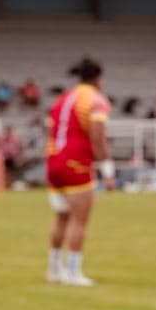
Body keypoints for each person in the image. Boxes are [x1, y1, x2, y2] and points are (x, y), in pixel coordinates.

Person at [44, 56, 113, 286]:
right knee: (79, 220)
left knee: (61, 218)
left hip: (54, 161)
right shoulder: (96, 100)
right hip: (77, 163)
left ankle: (54, 269)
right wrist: (107, 167)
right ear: (98, 79)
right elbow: (97, 136)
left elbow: (51, 129)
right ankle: (74, 273)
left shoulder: (63, 98)